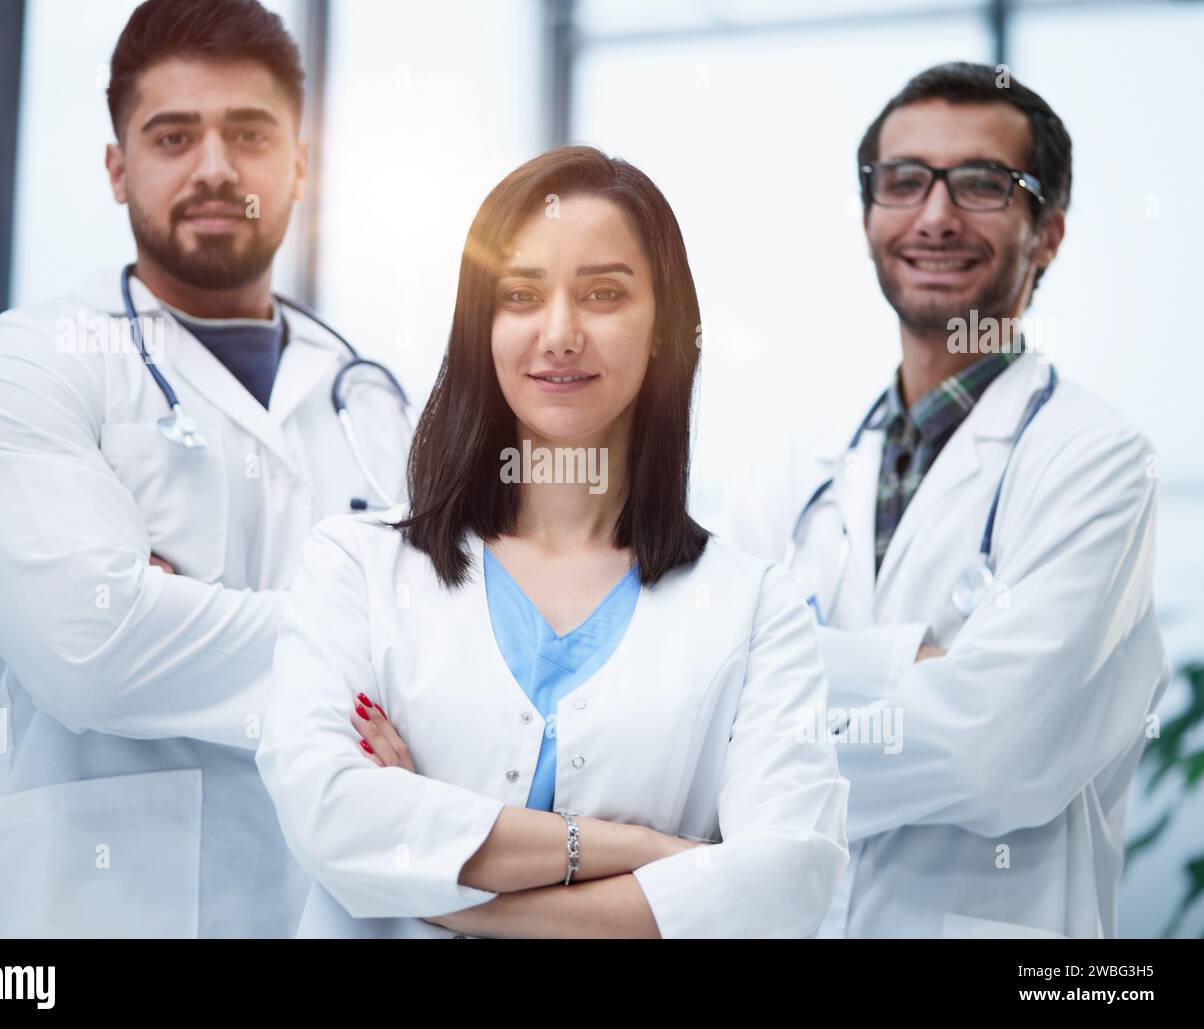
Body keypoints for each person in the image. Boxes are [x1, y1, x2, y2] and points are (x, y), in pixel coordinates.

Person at [256, 145, 849, 938]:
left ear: (668, 329)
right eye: (522, 295)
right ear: (481, 326)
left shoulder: (753, 605)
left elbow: (785, 884)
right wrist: (652, 853)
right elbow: (329, 815)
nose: (561, 333)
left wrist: (431, 878)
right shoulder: (354, 567)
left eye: (604, 293)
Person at [0, 0, 408, 938]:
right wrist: (378, 634)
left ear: (301, 164)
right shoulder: (30, 365)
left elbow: (463, 666)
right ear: (118, 168)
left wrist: (178, 609)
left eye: (251, 132)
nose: (216, 167)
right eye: (173, 134)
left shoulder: (375, 403)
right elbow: (97, 655)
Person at [721, 62, 1170, 938]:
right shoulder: (791, 471)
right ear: (867, 218)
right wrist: (917, 664)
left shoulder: (1099, 462)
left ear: (1049, 234)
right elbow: (683, 719)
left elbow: (993, 750)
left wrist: (773, 682)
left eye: (980, 185)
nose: (935, 215)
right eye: (904, 182)